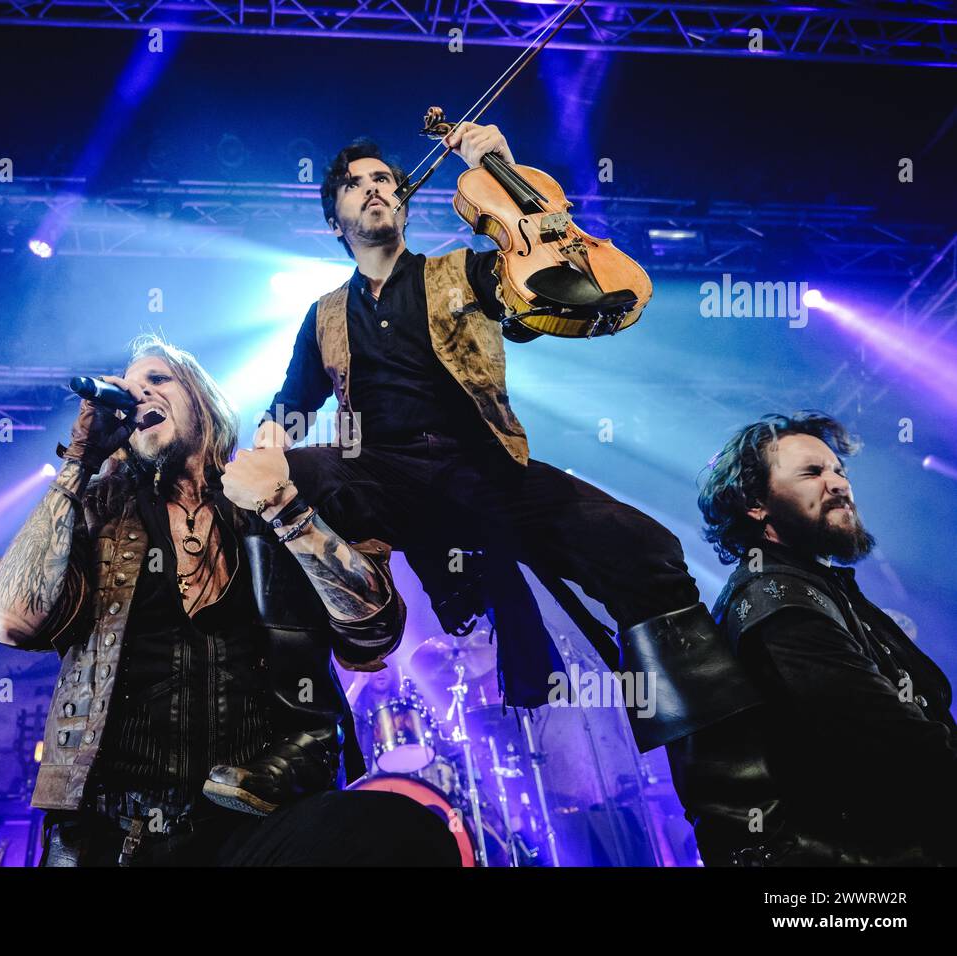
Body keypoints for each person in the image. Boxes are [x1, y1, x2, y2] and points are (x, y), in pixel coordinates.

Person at [255, 129, 757, 755]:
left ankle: (726, 776)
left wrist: (504, 171)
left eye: (383, 178)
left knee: (643, 546)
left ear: (404, 199)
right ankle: (308, 727)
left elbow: (575, 283)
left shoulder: (465, 270)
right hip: (380, 475)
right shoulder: (324, 312)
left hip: (485, 470)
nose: (372, 188)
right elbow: (292, 402)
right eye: (354, 185)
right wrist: (264, 450)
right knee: (278, 484)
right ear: (337, 222)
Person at [0, 334, 459, 866]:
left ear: (202, 399)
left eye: (156, 380)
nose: (137, 395)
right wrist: (78, 461)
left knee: (408, 833)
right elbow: (12, 623)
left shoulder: (277, 492)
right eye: (128, 389)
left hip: (252, 824)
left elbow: (374, 629)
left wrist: (285, 508)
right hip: (114, 838)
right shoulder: (99, 510)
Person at [674, 411, 957, 866]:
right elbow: (895, 746)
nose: (839, 484)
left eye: (839, 471)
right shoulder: (779, 602)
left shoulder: (812, 586)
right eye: (812, 473)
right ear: (755, 503)